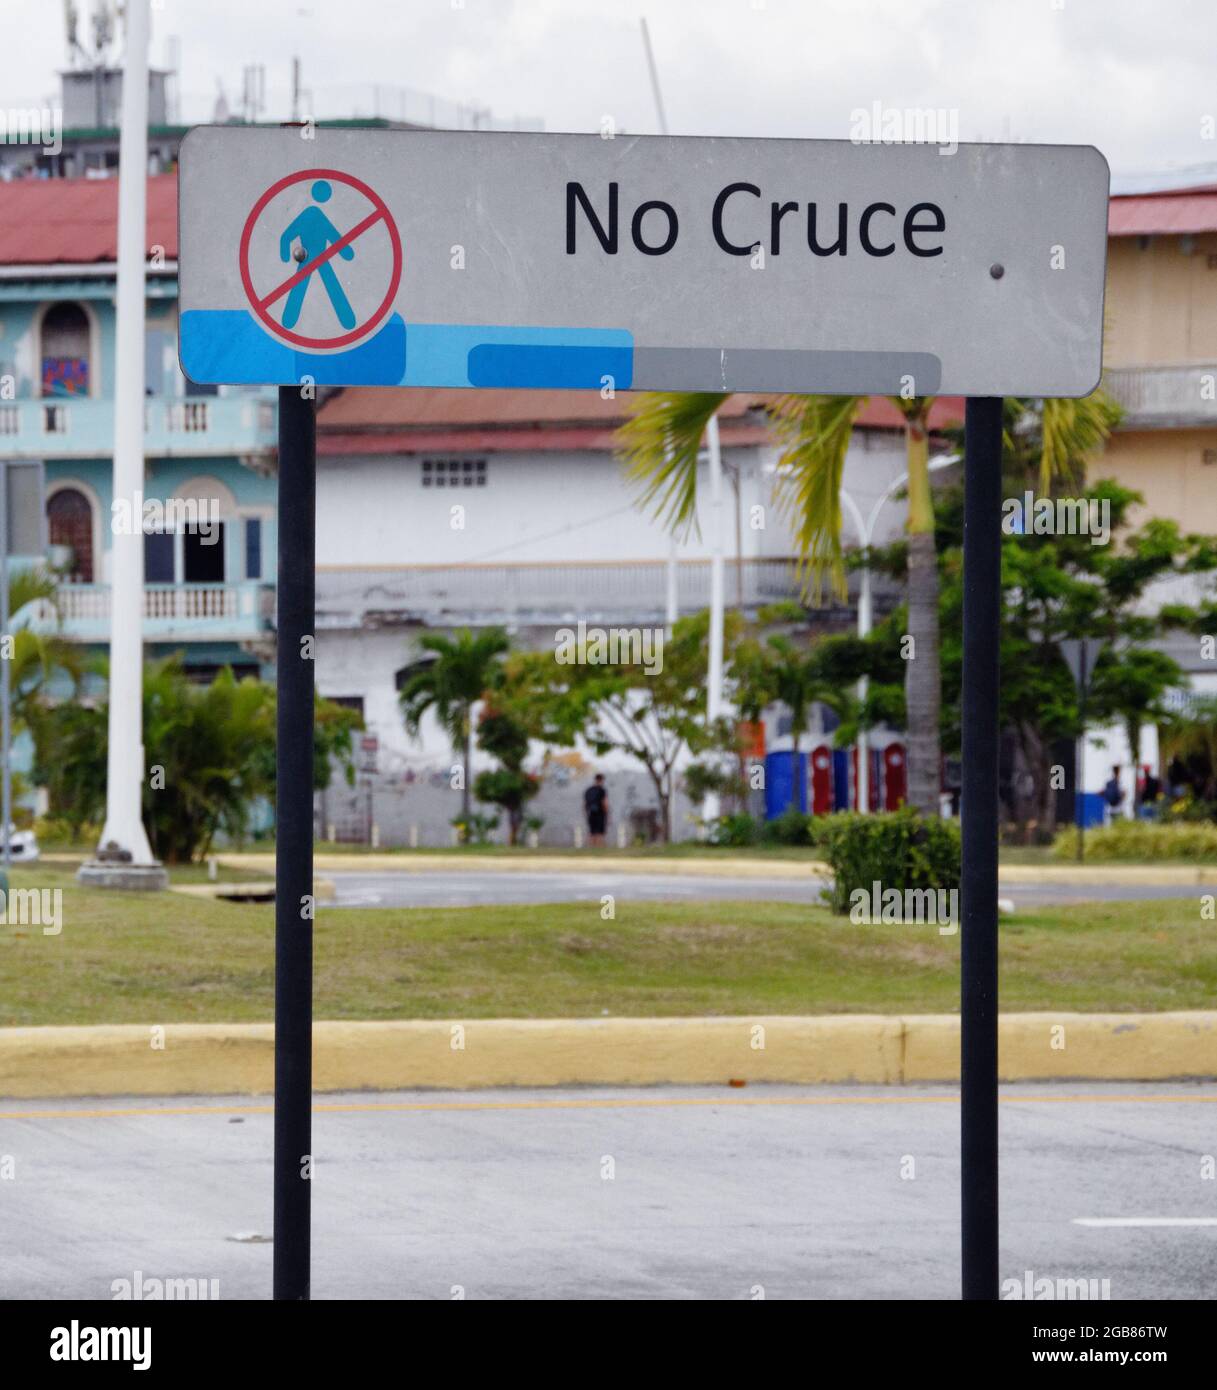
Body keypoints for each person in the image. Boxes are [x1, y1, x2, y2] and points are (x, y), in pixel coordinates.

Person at [583, 774, 609, 847]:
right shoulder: (602, 790)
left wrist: (586, 813)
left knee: (592, 832)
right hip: (600, 813)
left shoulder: (588, 790)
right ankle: (599, 848)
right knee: (600, 832)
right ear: (601, 780)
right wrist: (607, 814)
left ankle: (591, 848)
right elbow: (605, 803)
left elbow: (584, 804)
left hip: (591, 813)